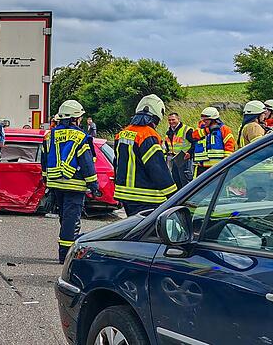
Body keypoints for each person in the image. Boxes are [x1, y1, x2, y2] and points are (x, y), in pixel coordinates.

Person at [42, 100, 101, 263]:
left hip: (55, 184)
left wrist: (45, 178)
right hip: (74, 184)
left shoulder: (50, 135)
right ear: (75, 118)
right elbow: (87, 163)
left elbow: (44, 159)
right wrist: (94, 184)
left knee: (65, 218)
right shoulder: (81, 136)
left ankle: (65, 251)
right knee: (71, 221)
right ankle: (66, 256)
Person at [113, 95, 177, 217]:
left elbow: (116, 162)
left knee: (133, 231)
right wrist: (173, 195)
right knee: (146, 234)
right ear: (157, 115)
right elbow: (157, 168)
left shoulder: (122, 134)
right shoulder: (148, 135)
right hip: (146, 197)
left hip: (124, 195)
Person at [238, 101, 273, 201]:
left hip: (251, 169)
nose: (264, 116)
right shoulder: (254, 127)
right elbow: (260, 147)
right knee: (260, 197)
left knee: (253, 195)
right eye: (262, 114)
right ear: (257, 115)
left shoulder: (245, 126)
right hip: (259, 170)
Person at [163, 112, 198, 188]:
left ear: (178, 119)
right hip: (174, 159)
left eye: (173, 119)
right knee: (176, 180)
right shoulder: (169, 132)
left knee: (185, 180)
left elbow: (195, 142)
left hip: (184, 158)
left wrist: (189, 153)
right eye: (169, 120)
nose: (171, 122)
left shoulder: (187, 130)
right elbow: (167, 145)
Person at [196, 107, 234, 175]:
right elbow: (193, 136)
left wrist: (226, 163)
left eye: (206, 120)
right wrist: (207, 131)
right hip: (202, 166)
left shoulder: (224, 129)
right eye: (203, 120)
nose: (204, 122)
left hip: (217, 166)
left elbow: (229, 147)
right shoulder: (201, 129)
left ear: (213, 119)